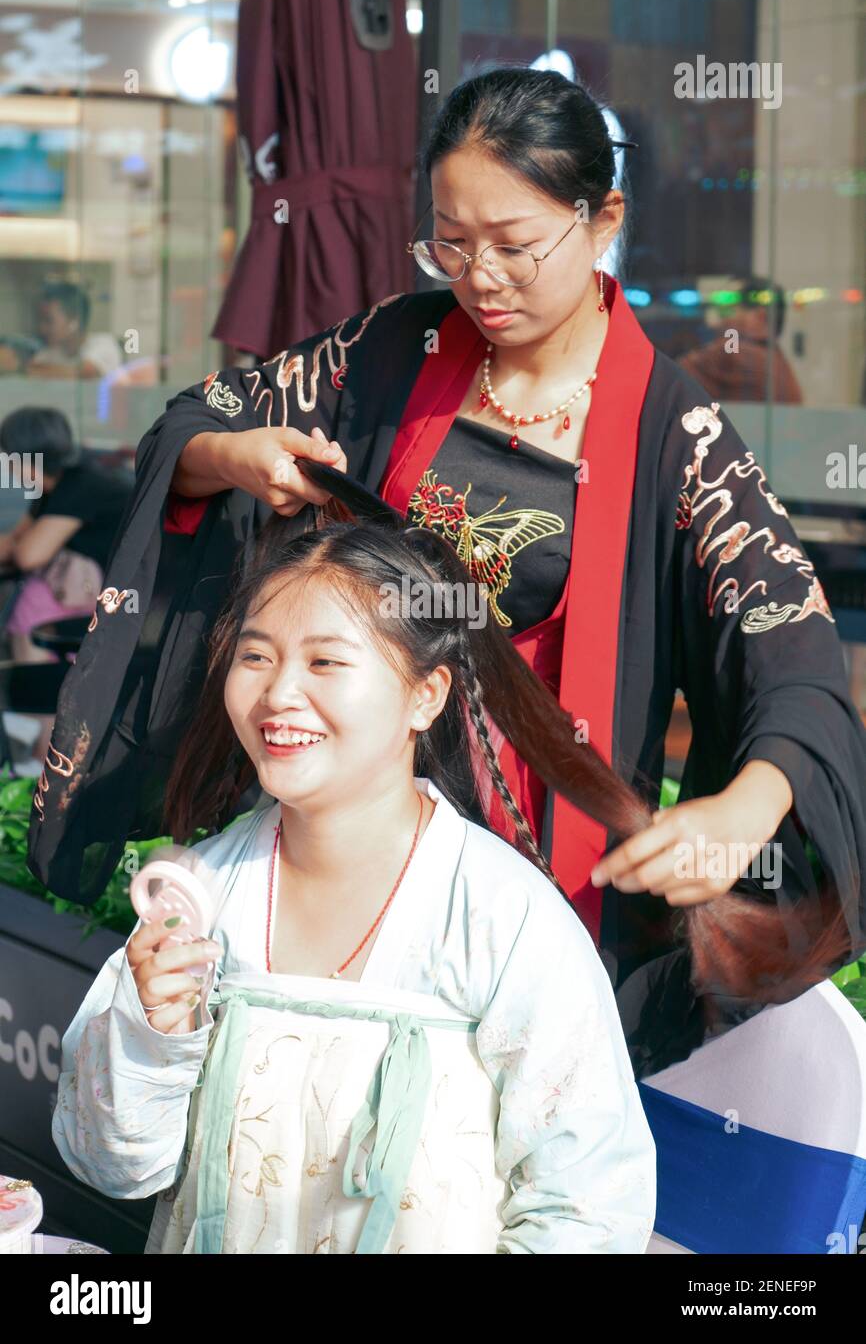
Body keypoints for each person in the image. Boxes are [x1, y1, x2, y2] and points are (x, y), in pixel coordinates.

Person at [29, 68, 866, 1080]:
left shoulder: (672, 433)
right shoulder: (394, 346)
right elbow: (194, 421)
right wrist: (234, 458)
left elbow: (790, 649)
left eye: (514, 246)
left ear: (601, 219)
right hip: (350, 828)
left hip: (539, 873)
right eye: (451, 242)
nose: (481, 279)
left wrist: (741, 811)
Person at [52, 511, 658, 1255]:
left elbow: (590, 1205)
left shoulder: (504, 917)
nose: (279, 694)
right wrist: (151, 1031)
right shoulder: (203, 898)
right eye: (256, 657)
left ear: (424, 696)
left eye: (327, 663)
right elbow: (114, 1165)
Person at [0, 406, 131, 762]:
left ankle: (41, 758)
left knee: (29, 613)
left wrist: (17, 546)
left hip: (111, 604)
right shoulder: (56, 487)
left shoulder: (81, 486)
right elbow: (16, 541)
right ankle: (36, 747)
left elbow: (27, 554)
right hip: (85, 598)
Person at [678, 277, 803, 403]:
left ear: (760, 316)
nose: (717, 324)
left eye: (728, 310)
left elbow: (666, 379)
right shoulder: (776, 361)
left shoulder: (734, 353)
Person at [26, 282, 122, 380]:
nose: (42, 328)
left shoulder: (104, 344)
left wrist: (36, 370)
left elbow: (86, 372)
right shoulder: (49, 353)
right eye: (41, 320)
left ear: (73, 322)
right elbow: (30, 370)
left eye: (49, 321)